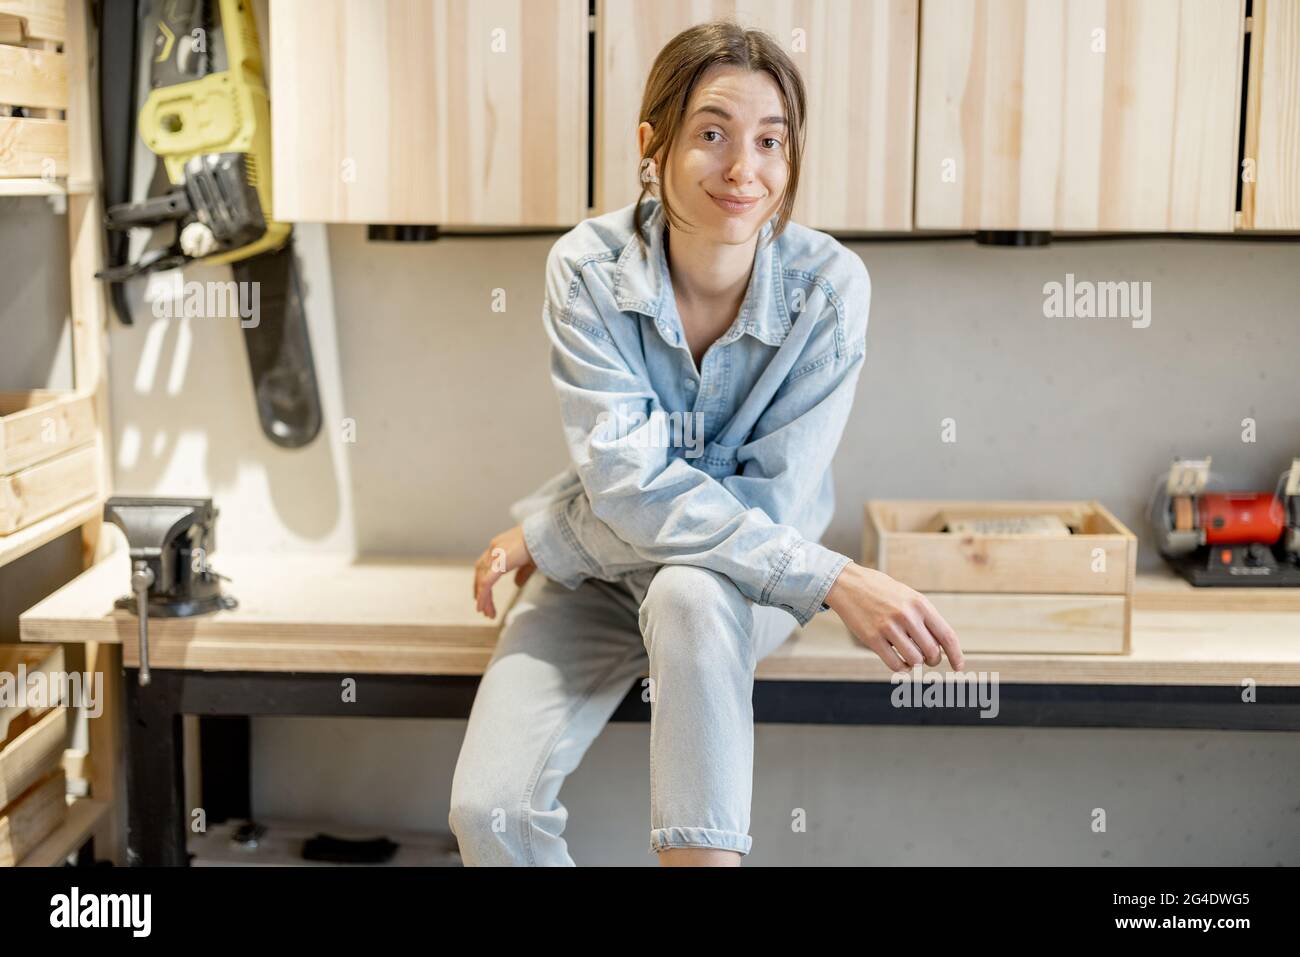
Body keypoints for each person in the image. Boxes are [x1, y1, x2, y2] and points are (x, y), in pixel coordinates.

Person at [450, 19, 962, 867]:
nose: (743, 169)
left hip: (732, 585)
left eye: (771, 141)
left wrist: (552, 531)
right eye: (713, 134)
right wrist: (835, 577)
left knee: (689, 587)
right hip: (601, 583)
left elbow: (759, 507)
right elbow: (629, 486)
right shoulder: (585, 268)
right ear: (653, 144)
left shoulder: (829, 292)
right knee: (489, 809)